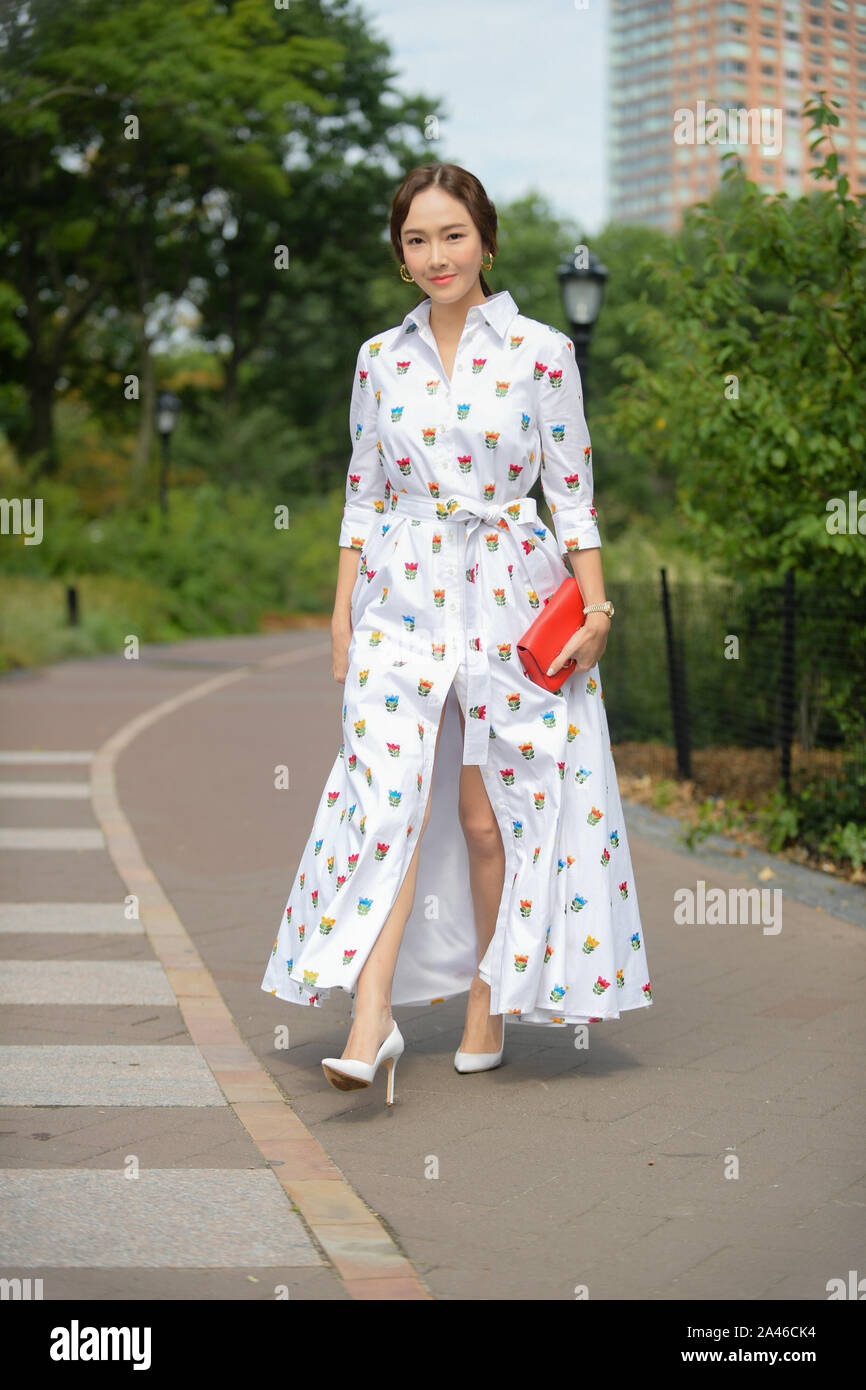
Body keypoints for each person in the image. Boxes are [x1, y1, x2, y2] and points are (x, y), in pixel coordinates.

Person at [261, 162, 652, 1105]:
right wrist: (341, 609)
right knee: (382, 803)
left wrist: (594, 611)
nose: (436, 256)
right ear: (400, 255)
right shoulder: (377, 359)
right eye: (416, 240)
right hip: (404, 603)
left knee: (490, 820)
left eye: (452, 236)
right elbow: (362, 493)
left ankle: (487, 1000)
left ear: (486, 241)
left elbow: (573, 498)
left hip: (513, 602)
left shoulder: (541, 350)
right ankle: (372, 1016)